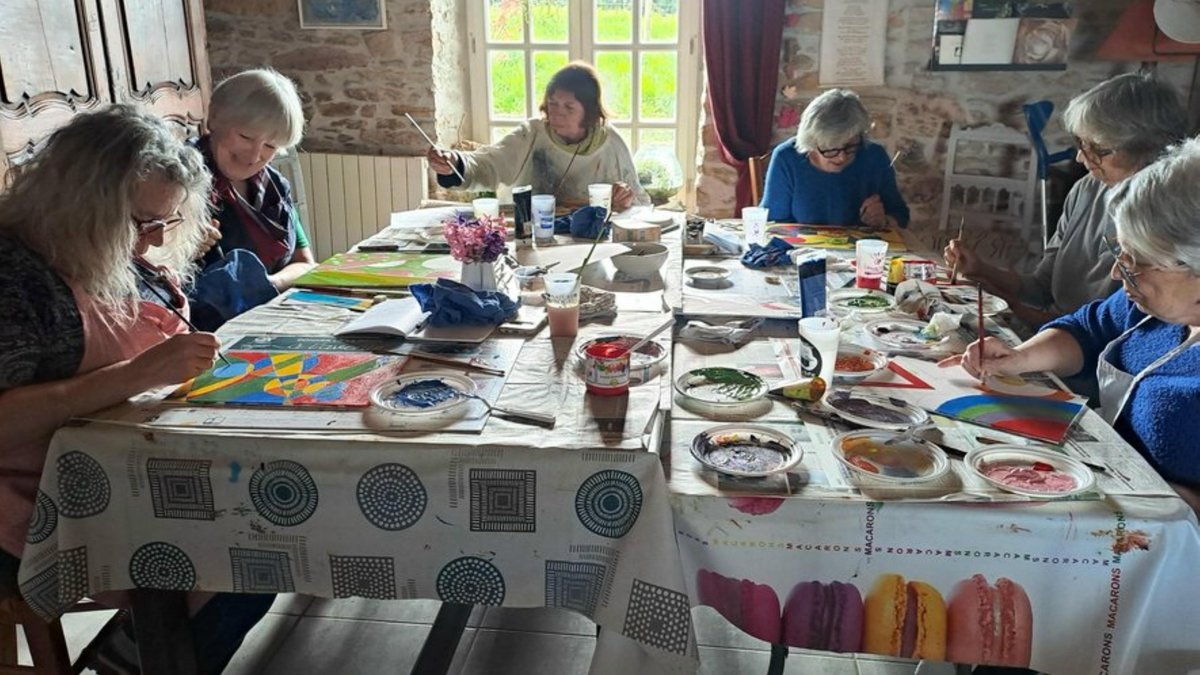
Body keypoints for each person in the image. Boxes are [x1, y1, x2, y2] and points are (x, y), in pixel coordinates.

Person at [0, 104, 271, 675]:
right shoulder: (16, 277)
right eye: (140, 222)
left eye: (165, 223)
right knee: (259, 549)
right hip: (38, 499)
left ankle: (136, 653)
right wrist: (139, 374)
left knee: (277, 520)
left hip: (124, 470)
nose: (152, 240)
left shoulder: (118, 253)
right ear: (79, 203)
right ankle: (147, 656)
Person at [941, 136, 1200, 511]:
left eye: (1137, 260)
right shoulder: (1150, 309)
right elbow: (1087, 329)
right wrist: (1018, 358)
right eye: (1119, 252)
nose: (1117, 270)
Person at [943, 73, 1187, 328]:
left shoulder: (1166, 223)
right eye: (1081, 143)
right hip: (1047, 334)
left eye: (1099, 149)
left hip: (1083, 353)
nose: (1082, 158)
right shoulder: (1086, 189)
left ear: (1150, 150)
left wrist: (1010, 307)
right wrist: (981, 270)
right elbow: (1040, 288)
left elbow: (1100, 333)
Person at [427, 61, 650, 212]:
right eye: (553, 104)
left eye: (568, 107)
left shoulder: (610, 142)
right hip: (531, 234)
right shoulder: (531, 134)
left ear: (590, 111)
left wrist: (625, 197)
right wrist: (454, 163)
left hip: (592, 241)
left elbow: (639, 201)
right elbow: (488, 163)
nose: (557, 113)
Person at [190, 68, 315, 330]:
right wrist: (181, 246)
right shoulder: (176, 184)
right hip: (205, 336)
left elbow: (304, 263)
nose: (254, 155)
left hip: (272, 319)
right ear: (214, 119)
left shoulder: (275, 187)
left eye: (270, 146)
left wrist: (266, 286)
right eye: (246, 137)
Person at [760, 88, 909, 230]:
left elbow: (901, 215)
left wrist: (884, 220)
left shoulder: (874, 156)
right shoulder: (787, 158)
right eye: (831, 148)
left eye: (850, 146)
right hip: (801, 252)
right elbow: (772, 222)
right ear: (811, 142)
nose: (842, 156)